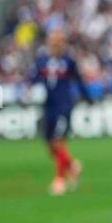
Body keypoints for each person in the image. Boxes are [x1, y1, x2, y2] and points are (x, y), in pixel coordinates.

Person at [30, 28, 89, 195]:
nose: (56, 45)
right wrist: (33, 88)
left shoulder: (69, 61)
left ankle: (59, 180)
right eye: (53, 41)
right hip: (48, 105)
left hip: (64, 105)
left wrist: (88, 98)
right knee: (50, 145)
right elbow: (33, 79)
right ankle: (72, 165)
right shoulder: (41, 61)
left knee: (58, 140)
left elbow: (78, 81)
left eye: (59, 41)